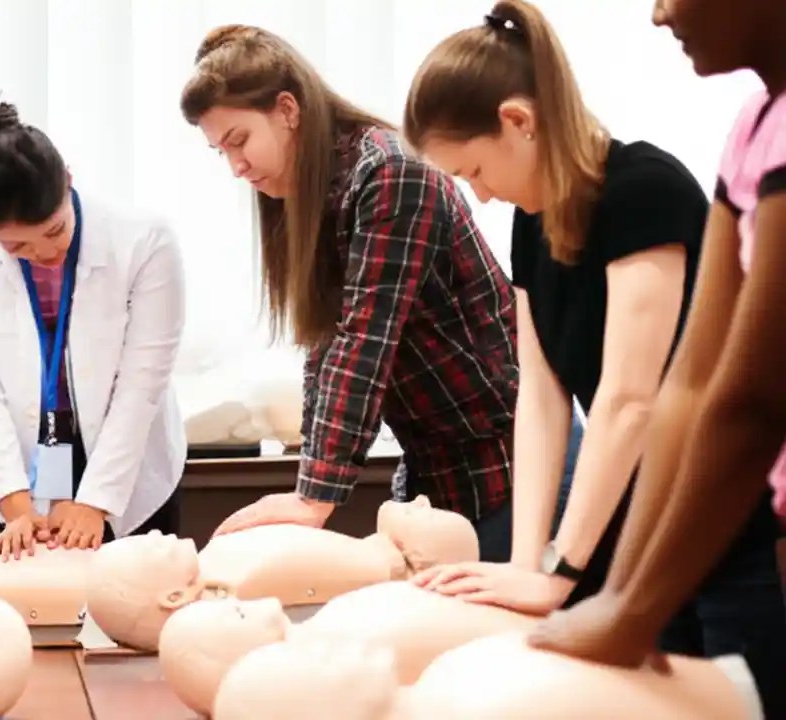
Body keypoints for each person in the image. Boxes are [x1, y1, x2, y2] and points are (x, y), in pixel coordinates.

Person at [401, 0, 725, 621]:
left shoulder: (643, 189)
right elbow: (541, 396)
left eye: (475, 170)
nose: (483, 195)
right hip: (618, 509)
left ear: (518, 120)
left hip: (701, 516)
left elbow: (631, 400)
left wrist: (559, 571)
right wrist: (527, 564)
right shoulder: (532, 221)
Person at [529, 0, 786, 716]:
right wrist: (619, 597)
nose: (657, 13)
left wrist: (632, 611)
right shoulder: (754, 128)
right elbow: (688, 384)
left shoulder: (645, 186)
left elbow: (753, 400)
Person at [181, 25, 521, 561]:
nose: (235, 166)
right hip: (432, 466)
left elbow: (364, 338)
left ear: (288, 110)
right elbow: (327, 349)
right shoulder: (313, 194)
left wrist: (314, 497)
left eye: (239, 141)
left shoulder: (390, 174)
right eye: (220, 151)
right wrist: (308, 486)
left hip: (505, 463)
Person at [0, 100, 186, 560]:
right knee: (25, 611)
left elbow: (140, 385)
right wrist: (15, 506)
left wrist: (96, 502)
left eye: (54, 231)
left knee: (133, 606)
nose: (43, 254)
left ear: (68, 181)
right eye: (16, 246)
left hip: (123, 459)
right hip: (18, 458)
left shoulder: (146, 242)